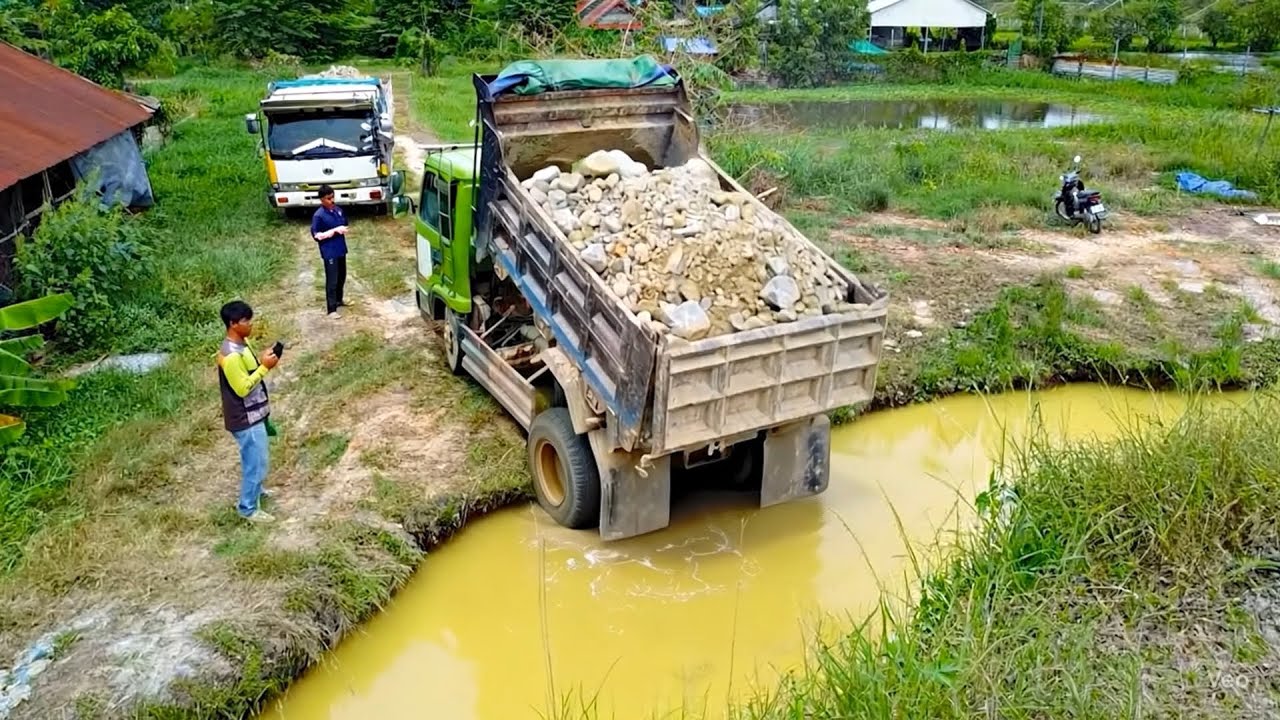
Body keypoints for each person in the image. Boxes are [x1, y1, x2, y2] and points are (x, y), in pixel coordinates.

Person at [217, 300, 280, 523]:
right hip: (245, 417)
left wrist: (262, 360)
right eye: (246, 321)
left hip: (254, 413)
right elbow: (242, 388)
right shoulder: (231, 355)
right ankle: (248, 508)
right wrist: (265, 368)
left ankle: (256, 491)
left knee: (255, 459)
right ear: (233, 324)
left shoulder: (242, 344)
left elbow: (249, 370)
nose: (250, 324)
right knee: (256, 462)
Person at [310, 185, 351, 319]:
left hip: (340, 248)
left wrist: (343, 228)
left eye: (333, 197)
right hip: (329, 250)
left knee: (341, 276)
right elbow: (317, 235)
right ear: (322, 199)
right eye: (328, 198)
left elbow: (344, 222)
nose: (332, 200)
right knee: (332, 280)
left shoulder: (337, 210)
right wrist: (333, 231)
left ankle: (339, 300)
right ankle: (331, 308)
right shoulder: (319, 215)